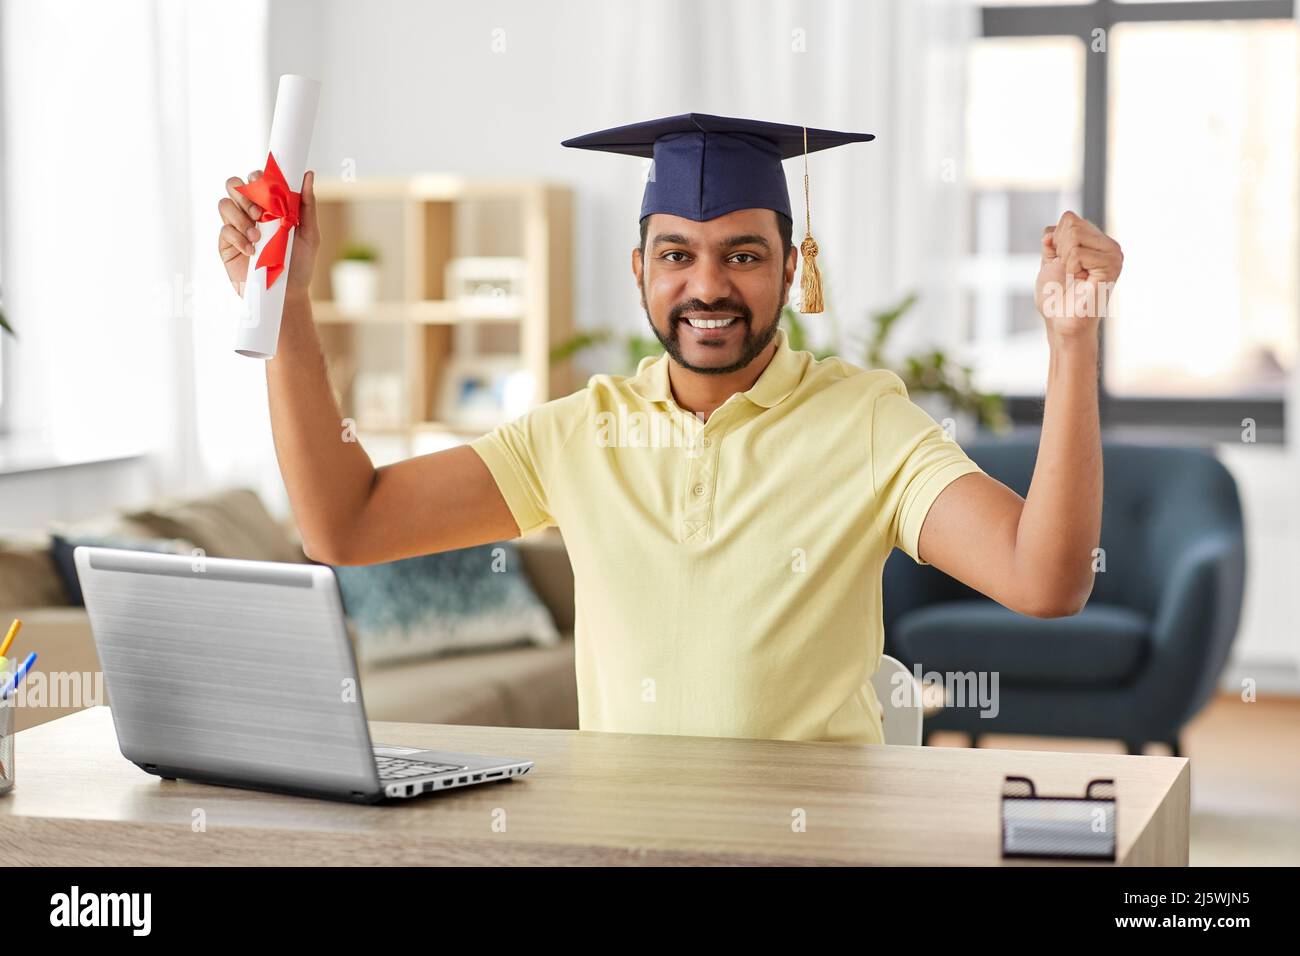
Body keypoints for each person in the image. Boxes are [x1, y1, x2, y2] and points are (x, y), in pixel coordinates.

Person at [216, 113, 1122, 746]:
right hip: (629, 839)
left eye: (744, 254)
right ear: (639, 269)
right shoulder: (577, 434)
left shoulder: (868, 423)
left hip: (818, 842)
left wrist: (1071, 346)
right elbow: (347, 525)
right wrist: (291, 309)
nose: (708, 287)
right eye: (676, 255)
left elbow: (1045, 582)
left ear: (792, 267)